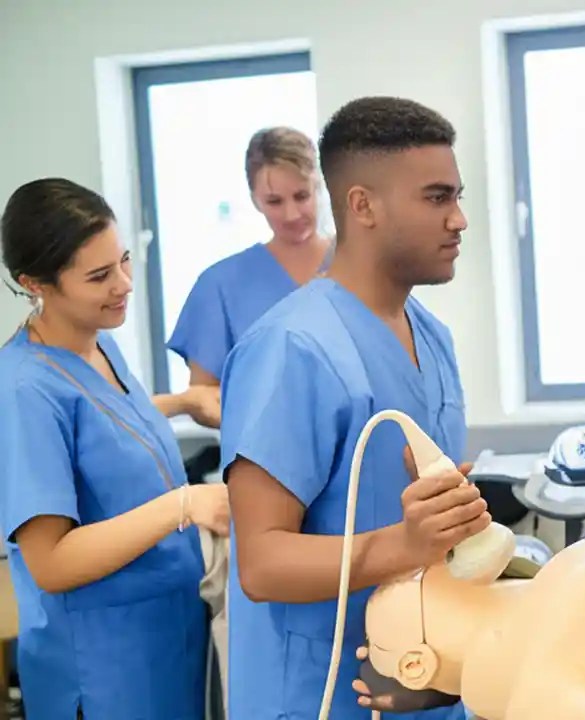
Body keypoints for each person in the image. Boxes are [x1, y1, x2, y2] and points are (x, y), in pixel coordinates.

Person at [218, 97, 491, 720]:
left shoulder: (433, 337)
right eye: (437, 197)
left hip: (422, 681)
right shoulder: (292, 349)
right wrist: (406, 542)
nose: (459, 220)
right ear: (362, 205)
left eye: (457, 195)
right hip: (320, 695)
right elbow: (261, 563)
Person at [0, 178, 230, 719]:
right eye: (100, 276)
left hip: (166, 641)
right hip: (104, 670)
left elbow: (103, 424)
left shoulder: (98, 341)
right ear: (35, 282)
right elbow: (51, 562)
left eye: (124, 261)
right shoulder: (23, 391)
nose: (124, 284)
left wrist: (180, 401)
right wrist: (185, 504)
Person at [167, 126, 332, 395]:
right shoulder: (220, 286)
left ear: (320, 187)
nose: (291, 214)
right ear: (254, 200)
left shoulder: (360, 266)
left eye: (302, 196)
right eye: (274, 201)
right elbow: (204, 396)